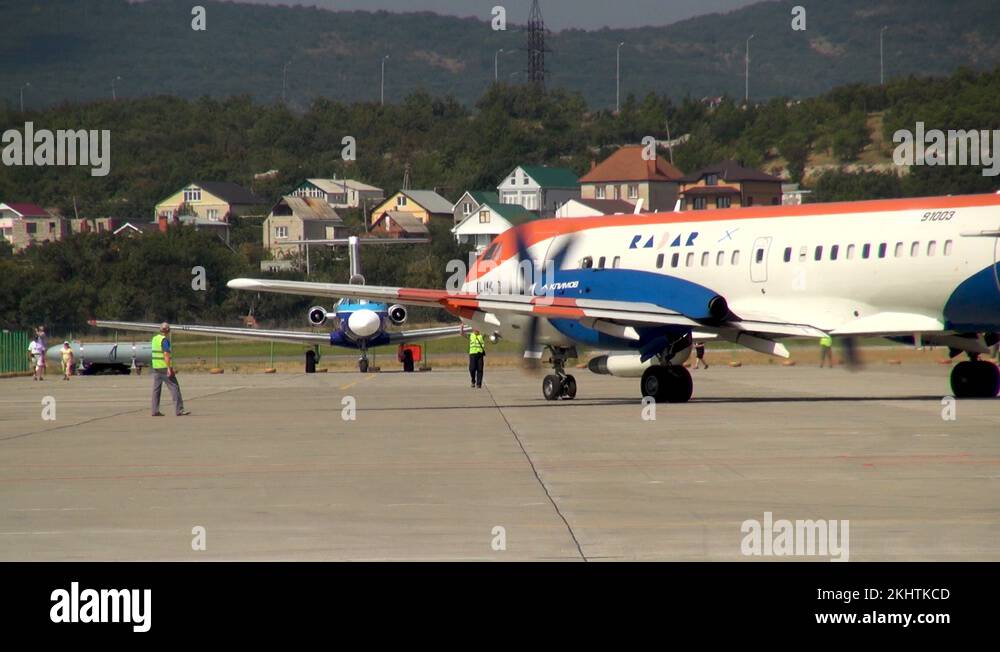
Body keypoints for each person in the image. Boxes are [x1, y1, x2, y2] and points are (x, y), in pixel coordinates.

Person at [151, 322, 189, 416]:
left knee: (156, 390)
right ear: (168, 330)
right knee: (174, 388)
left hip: (156, 368)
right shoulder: (164, 340)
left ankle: (155, 410)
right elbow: (166, 354)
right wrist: (169, 368)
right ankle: (179, 410)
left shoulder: (155, 339)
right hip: (164, 368)